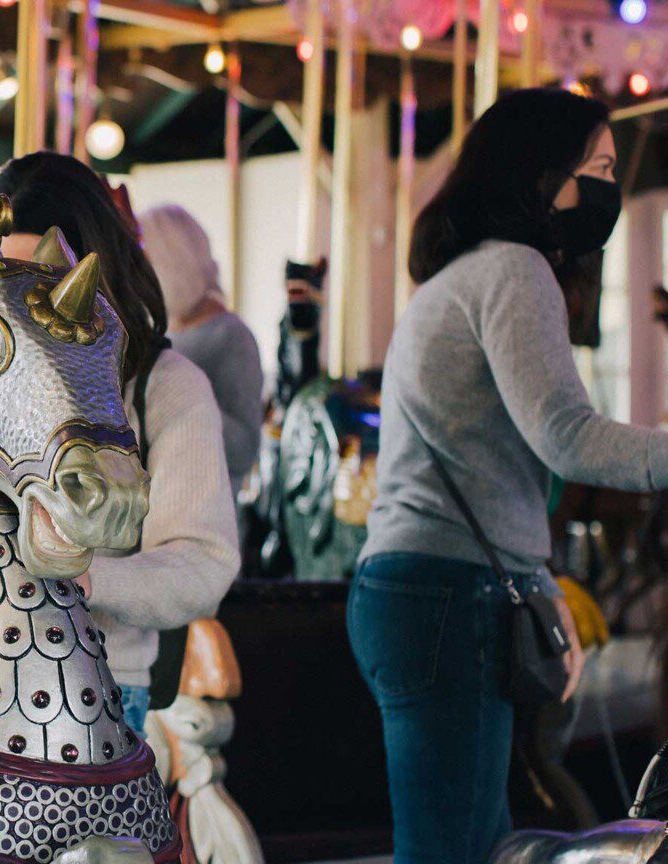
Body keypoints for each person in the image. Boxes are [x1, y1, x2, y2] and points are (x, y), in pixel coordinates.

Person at [355, 88, 668, 863]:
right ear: (540, 173)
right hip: (448, 590)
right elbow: (567, 436)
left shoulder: (464, 276)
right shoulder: (514, 268)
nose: (607, 190)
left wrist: (539, 581)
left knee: (471, 839)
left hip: (428, 585)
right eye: (595, 167)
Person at [0, 152, 239, 735]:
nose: (23, 297)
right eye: (4, 276)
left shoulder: (165, 387)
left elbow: (205, 561)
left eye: (45, 275)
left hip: (94, 676)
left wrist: (88, 578)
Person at [138, 204, 264, 497]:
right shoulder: (165, 331)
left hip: (207, 504)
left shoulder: (231, 336)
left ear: (170, 264)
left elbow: (243, 448)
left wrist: (182, 397)